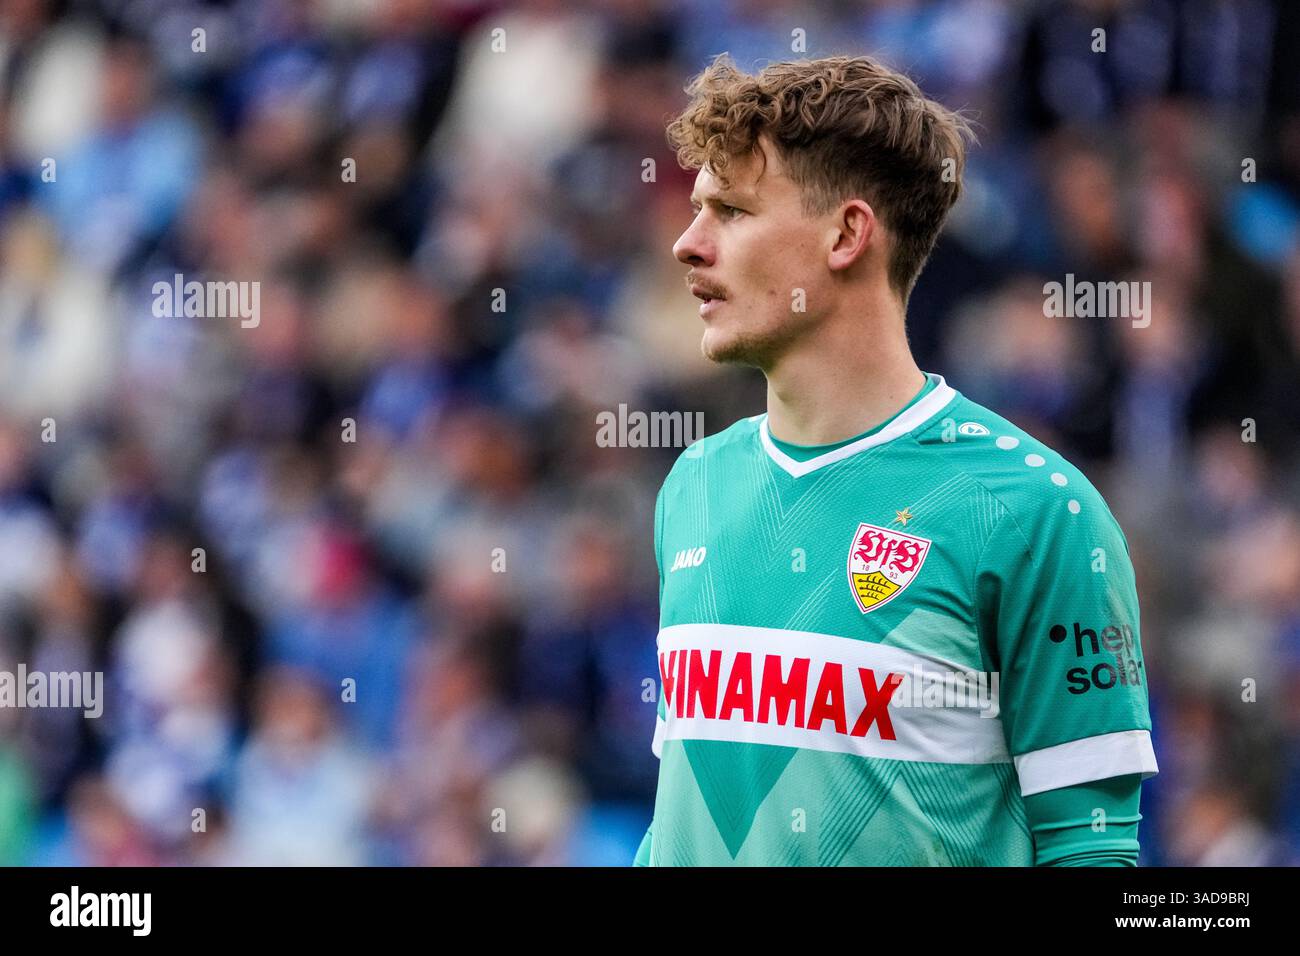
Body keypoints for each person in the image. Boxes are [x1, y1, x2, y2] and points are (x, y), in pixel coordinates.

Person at [635, 54, 1157, 866]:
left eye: (730, 211)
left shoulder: (1034, 510)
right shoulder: (694, 485)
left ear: (847, 234)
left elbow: (1090, 850)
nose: (687, 244)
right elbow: (683, 824)